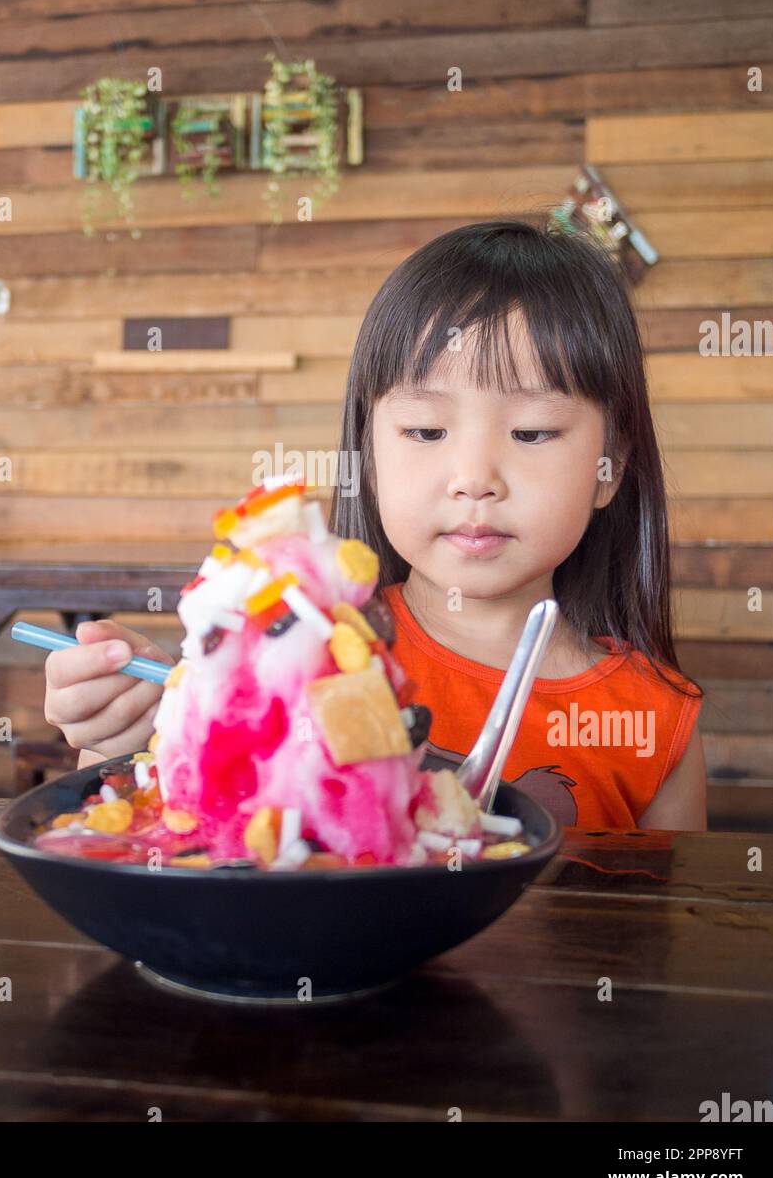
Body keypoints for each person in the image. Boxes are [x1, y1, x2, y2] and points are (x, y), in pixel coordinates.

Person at [43, 220, 707, 831]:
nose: (474, 478)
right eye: (425, 429)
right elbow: (174, 831)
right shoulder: (301, 650)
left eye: (533, 431)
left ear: (609, 467)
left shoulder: (656, 717)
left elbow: (666, 934)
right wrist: (115, 738)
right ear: (371, 452)